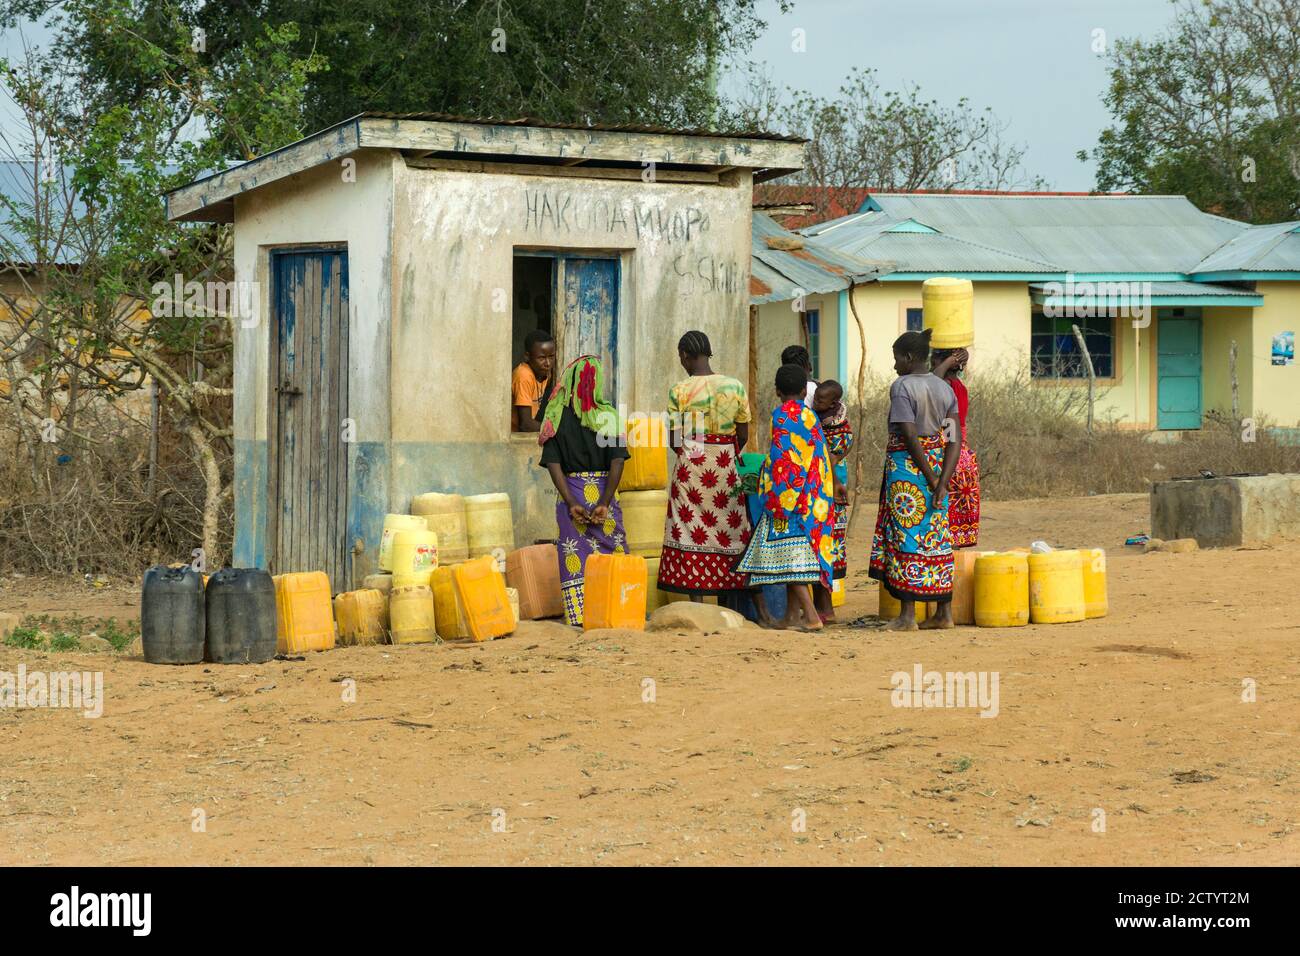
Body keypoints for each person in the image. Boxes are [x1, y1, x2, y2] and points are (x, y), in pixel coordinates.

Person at [868, 329, 961, 631]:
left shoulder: (902, 387)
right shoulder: (945, 389)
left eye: (896, 358)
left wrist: (932, 479)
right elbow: (953, 439)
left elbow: (908, 434)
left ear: (908, 358)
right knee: (936, 535)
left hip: (909, 470)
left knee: (907, 534)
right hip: (937, 465)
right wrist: (943, 480)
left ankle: (908, 616)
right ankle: (943, 613)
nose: (894, 365)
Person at [738, 363, 835, 631]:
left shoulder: (780, 416)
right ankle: (792, 617)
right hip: (815, 498)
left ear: (777, 391)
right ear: (805, 390)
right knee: (798, 555)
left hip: (790, 498)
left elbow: (783, 460)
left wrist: (777, 498)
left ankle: (812, 617)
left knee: (790, 558)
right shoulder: (811, 416)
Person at [658, 331, 753, 599]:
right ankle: (728, 598)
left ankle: (696, 600)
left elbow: (674, 439)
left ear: (685, 355)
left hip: (692, 463)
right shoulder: (734, 386)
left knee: (689, 529)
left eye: (680, 357)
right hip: (724, 465)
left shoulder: (679, 390)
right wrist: (723, 452)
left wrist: (692, 453)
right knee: (731, 528)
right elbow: (743, 433)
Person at [537, 355, 630, 626]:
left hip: (571, 492)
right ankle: (616, 609)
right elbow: (617, 461)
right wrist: (604, 501)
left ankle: (579, 616)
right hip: (604, 493)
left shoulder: (556, 415)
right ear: (597, 382)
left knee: (573, 554)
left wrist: (570, 502)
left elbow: (552, 462)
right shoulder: (608, 416)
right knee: (613, 550)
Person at [811, 379, 854, 622]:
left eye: (821, 400)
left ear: (834, 403)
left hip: (832, 492)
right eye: (815, 398)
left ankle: (826, 608)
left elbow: (832, 457)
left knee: (826, 546)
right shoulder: (819, 419)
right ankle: (822, 607)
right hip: (826, 490)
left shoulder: (839, 427)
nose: (816, 403)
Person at [932, 348, 980, 547]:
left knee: (943, 510)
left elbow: (930, 381)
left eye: (934, 361)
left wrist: (948, 361)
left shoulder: (943, 386)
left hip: (949, 451)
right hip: (963, 455)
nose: (931, 366)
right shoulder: (959, 386)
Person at [511, 329, 556, 432]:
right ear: (527, 356)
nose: (548, 363)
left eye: (551, 357)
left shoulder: (545, 373)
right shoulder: (523, 375)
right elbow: (526, 425)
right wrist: (556, 431)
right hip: (516, 437)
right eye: (541, 358)